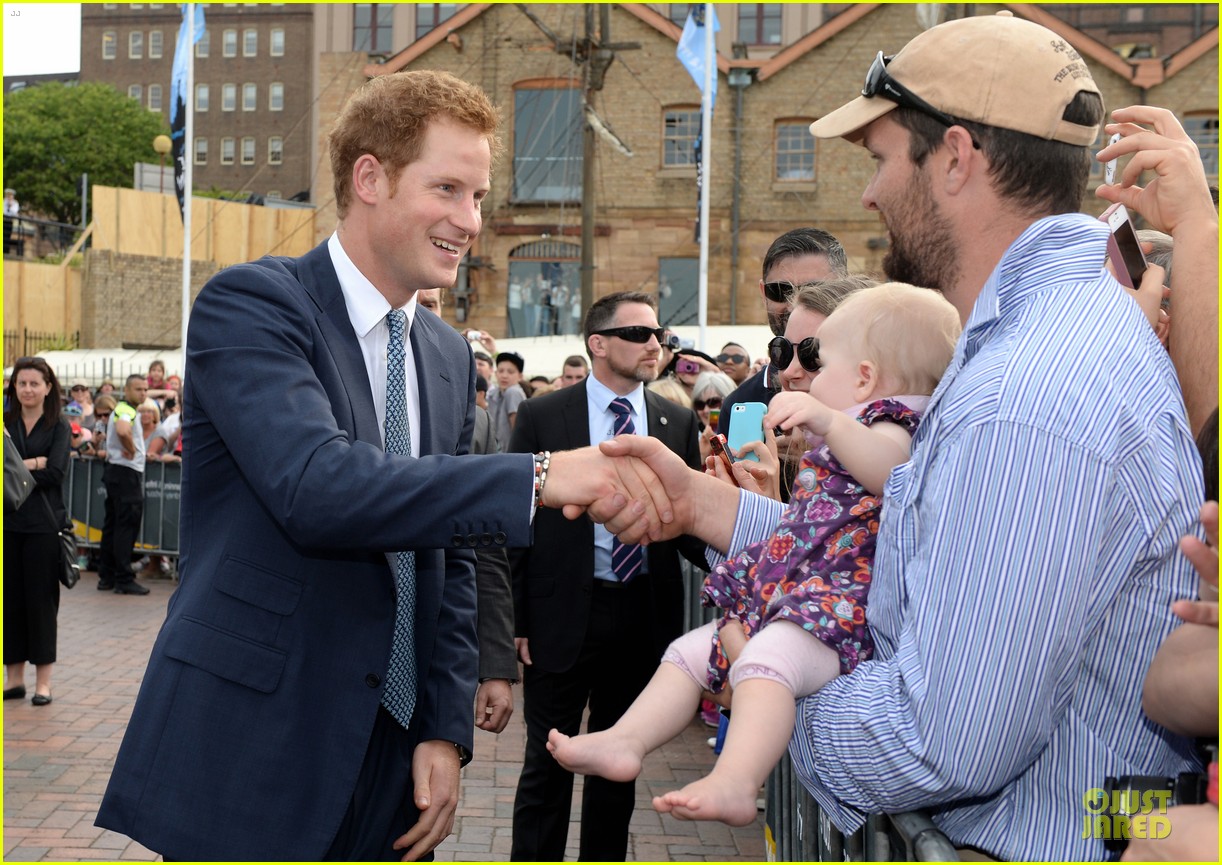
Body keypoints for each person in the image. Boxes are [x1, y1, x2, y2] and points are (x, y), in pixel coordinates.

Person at [600, 13, 1204, 860]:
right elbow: (915, 556)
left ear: (956, 158)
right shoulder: (1045, 339)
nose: (870, 195)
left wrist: (766, 687)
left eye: (883, 159)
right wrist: (706, 505)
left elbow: (939, 739)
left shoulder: (1026, 392)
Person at [95, 69, 669, 862]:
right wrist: (537, 475)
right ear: (370, 177)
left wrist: (441, 725)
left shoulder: (441, 351)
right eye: (448, 189)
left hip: (395, 753)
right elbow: (319, 487)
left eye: (478, 195)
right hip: (261, 740)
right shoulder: (254, 305)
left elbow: (454, 551)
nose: (470, 220)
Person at [550, 283, 960, 826]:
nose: (793, 374)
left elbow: (891, 473)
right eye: (785, 353)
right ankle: (625, 739)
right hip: (801, 600)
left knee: (763, 665)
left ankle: (736, 780)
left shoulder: (895, 422)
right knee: (687, 655)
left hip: (832, 613)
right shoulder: (857, 426)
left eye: (817, 359)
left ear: (864, 376)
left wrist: (832, 422)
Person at [508, 291, 706, 862]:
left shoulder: (678, 419)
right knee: (546, 765)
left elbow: (690, 524)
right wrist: (517, 620)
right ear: (598, 343)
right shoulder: (545, 415)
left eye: (660, 336)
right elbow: (517, 520)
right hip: (562, 611)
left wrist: (744, 554)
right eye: (640, 334)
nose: (656, 346)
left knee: (619, 764)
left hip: (643, 613)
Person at [419, 286, 517, 735]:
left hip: (434, 646)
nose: (419, 316)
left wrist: (495, 664)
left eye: (431, 306)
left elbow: (485, 539)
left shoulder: (472, 418)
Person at [717, 227, 848, 437]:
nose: (794, 303)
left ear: (843, 288)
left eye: (812, 290)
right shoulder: (739, 403)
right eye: (780, 290)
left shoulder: (878, 391)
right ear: (763, 293)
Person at [3, 357, 70, 706]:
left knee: (42, 604)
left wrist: (14, 466)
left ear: (48, 387)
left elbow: (56, 472)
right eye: (21, 383)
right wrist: (34, 463)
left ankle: (43, 683)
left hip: (44, 526)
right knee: (9, 602)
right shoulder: (5, 421)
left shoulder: (58, 425)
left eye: (34, 383)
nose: (27, 389)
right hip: (8, 522)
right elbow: (40, 470)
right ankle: (14, 680)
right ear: (13, 387)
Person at [97, 374, 149, 595]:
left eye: (145, 389)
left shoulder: (124, 408)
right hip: (126, 473)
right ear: (126, 390)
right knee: (126, 525)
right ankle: (123, 578)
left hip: (116, 472)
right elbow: (122, 429)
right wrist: (132, 448)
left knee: (113, 524)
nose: (143, 393)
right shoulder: (125, 408)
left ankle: (107, 576)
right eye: (138, 389)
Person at [487, 350, 527, 452]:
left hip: (510, 454)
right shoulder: (494, 393)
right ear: (495, 373)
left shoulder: (513, 392)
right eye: (501, 371)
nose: (504, 375)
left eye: (510, 372)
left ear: (520, 376)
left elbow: (518, 430)